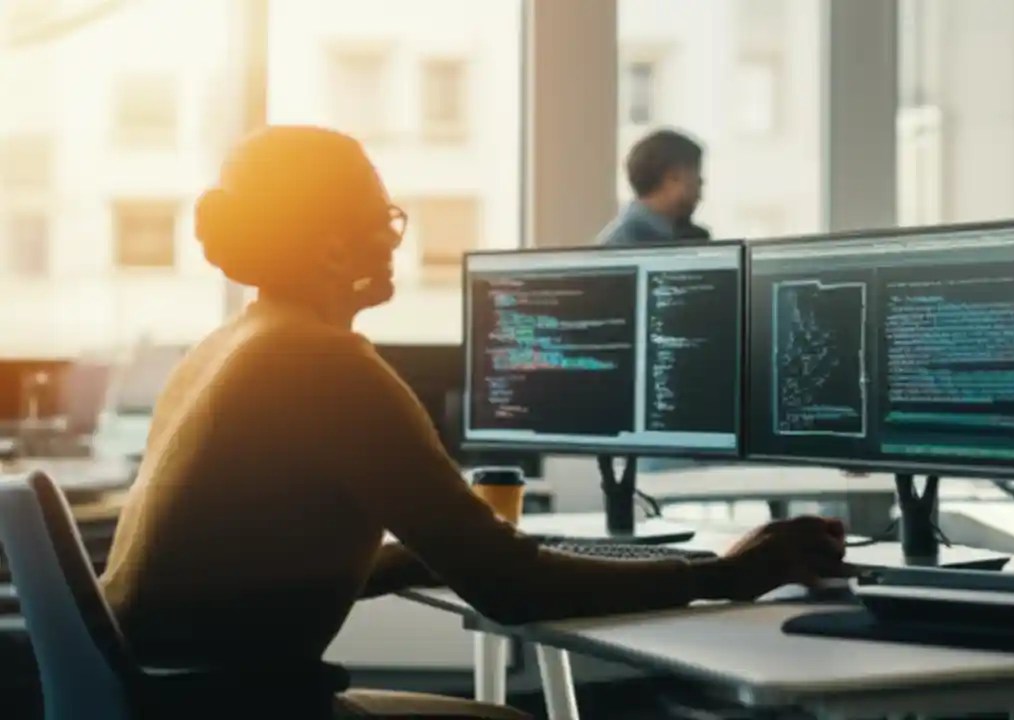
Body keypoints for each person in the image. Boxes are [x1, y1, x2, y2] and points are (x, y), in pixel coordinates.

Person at [100, 126, 848, 718]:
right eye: (384, 218)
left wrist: (426, 555)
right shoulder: (325, 366)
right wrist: (727, 576)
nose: (395, 237)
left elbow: (254, 568)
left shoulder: (227, 346)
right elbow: (513, 589)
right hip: (241, 707)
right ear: (332, 245)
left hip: (159, 697)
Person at [597, 128, 706, 246]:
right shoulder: (625, 242)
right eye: (696, 178)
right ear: (672, 178)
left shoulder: (684, 235)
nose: (699, 190)